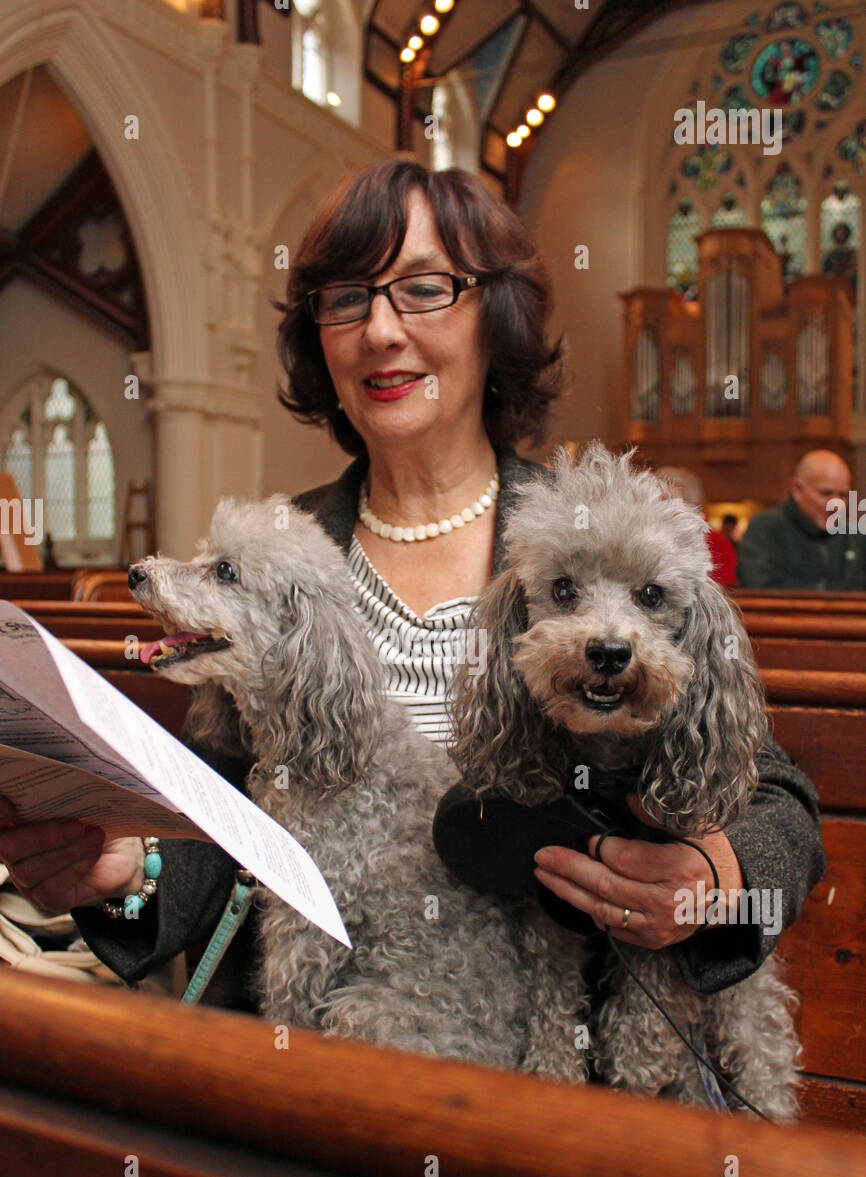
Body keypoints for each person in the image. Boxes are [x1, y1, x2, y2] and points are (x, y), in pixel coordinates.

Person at [0, 158, 825, 1011]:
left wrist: (713, 874)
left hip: (555, 1041)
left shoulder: (590, 535)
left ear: (494, 317)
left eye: (424, 289)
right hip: (308, 1024)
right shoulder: (277, 550)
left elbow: (776, 798)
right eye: (347, 298)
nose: (381, 331)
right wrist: (128, 874)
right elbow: (222, 825)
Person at [737, 449, 866, 589]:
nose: (836, 505)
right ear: (797, 490)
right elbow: (761, 587)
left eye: (843, 495)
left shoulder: (855, 537)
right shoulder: (766, 529)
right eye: (826, 493)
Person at [657, 466, 738, 587]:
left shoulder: (717, 543)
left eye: (668, 502)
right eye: (658, 502)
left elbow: (726, 589)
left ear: (692, 508)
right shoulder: (652, 538)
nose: (661, 509)